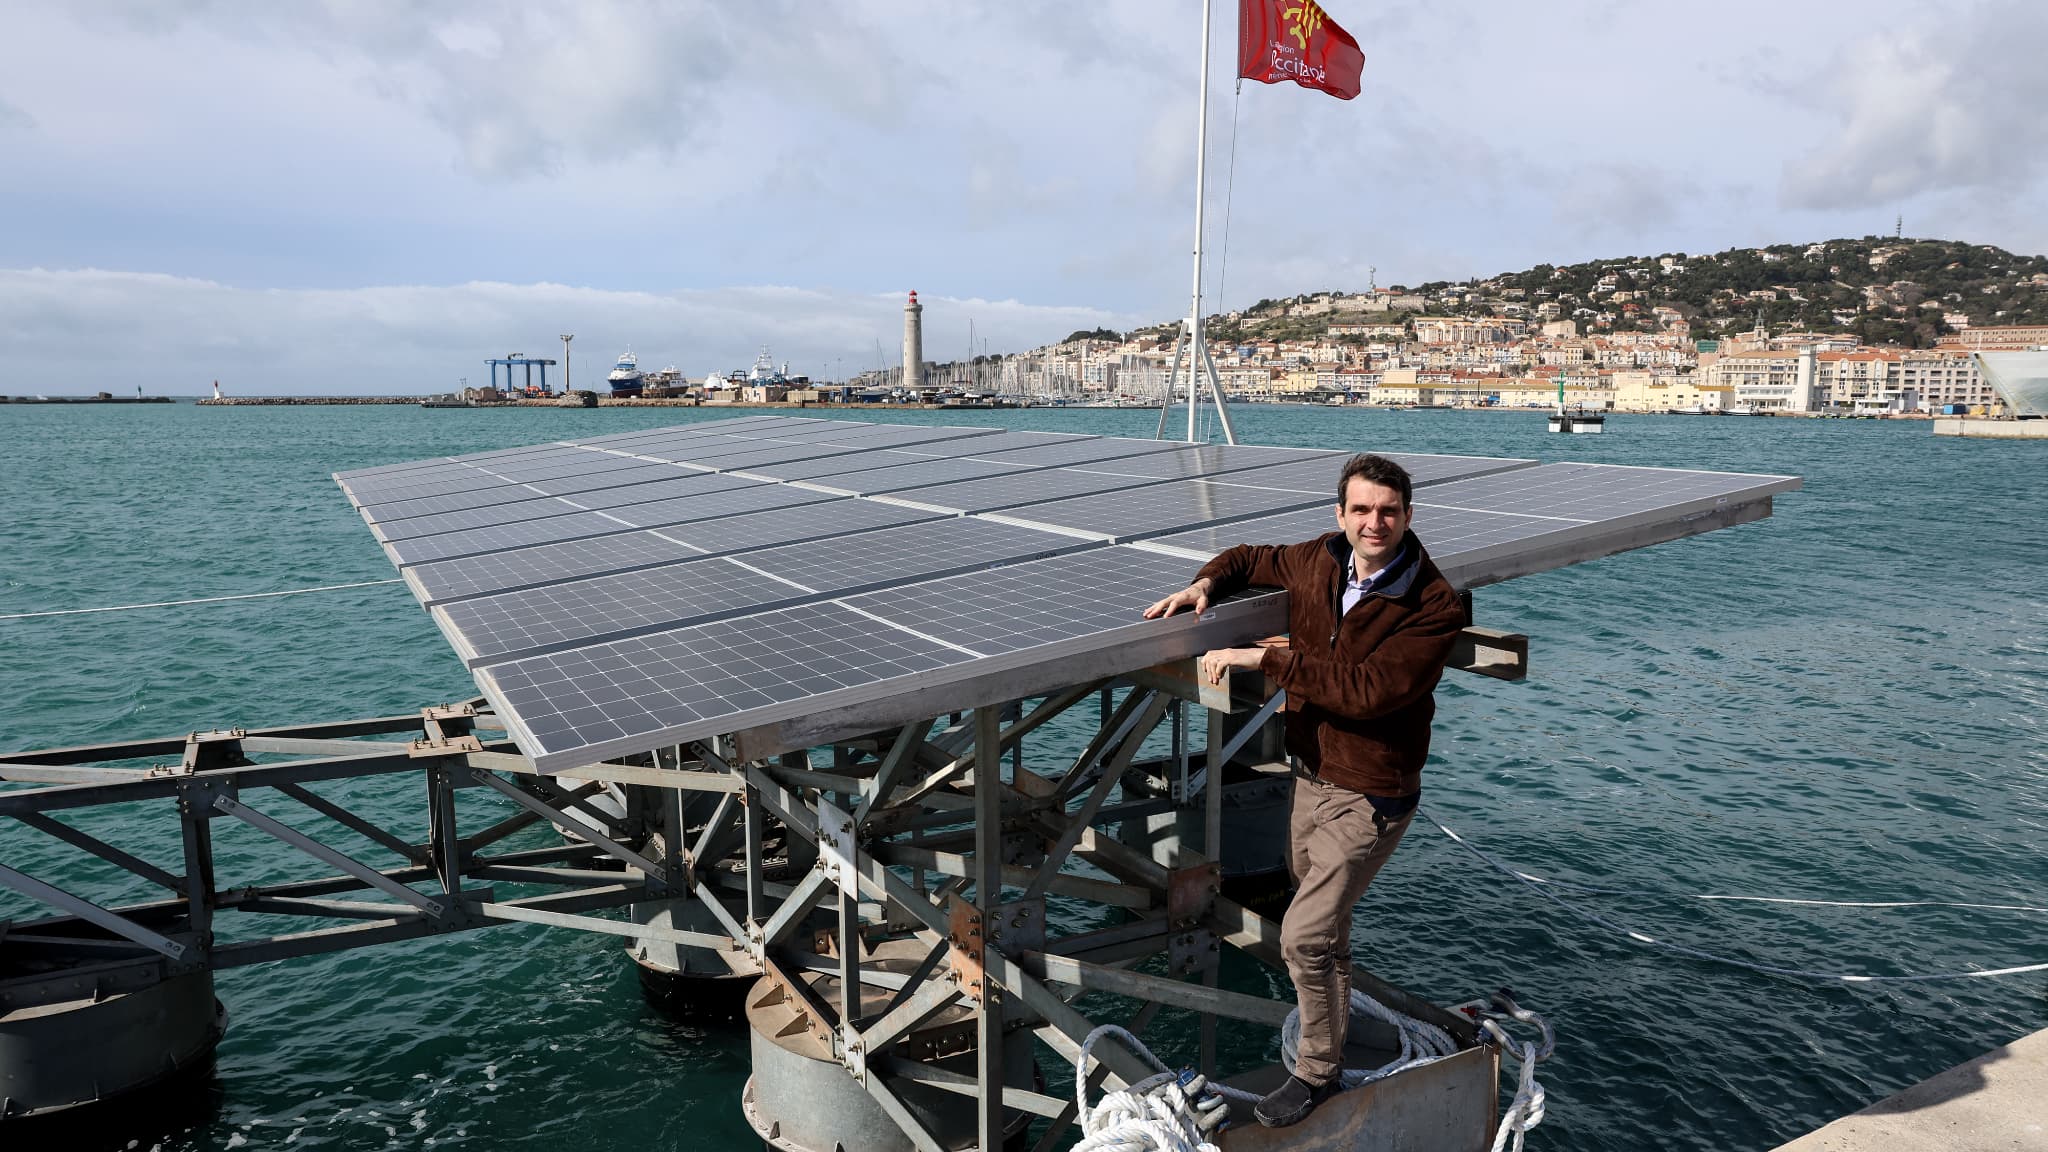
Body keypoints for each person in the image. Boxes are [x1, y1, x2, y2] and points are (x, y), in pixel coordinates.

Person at [1143, 452, 1466, 1128]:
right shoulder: (1317, 559)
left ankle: (1316, 1073)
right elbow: (1248, 557)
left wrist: (1264, 655)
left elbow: (1371, 692)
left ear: (1408, 516)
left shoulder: (1432, 605)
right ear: (1339, 514)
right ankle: (1335, 1038)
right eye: (1362, 510)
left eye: (1388, 511)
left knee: (1303, 937)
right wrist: (1202, 585)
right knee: (1328, 932)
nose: (1374, 522)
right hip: (1310, 777)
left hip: (1372, 794)